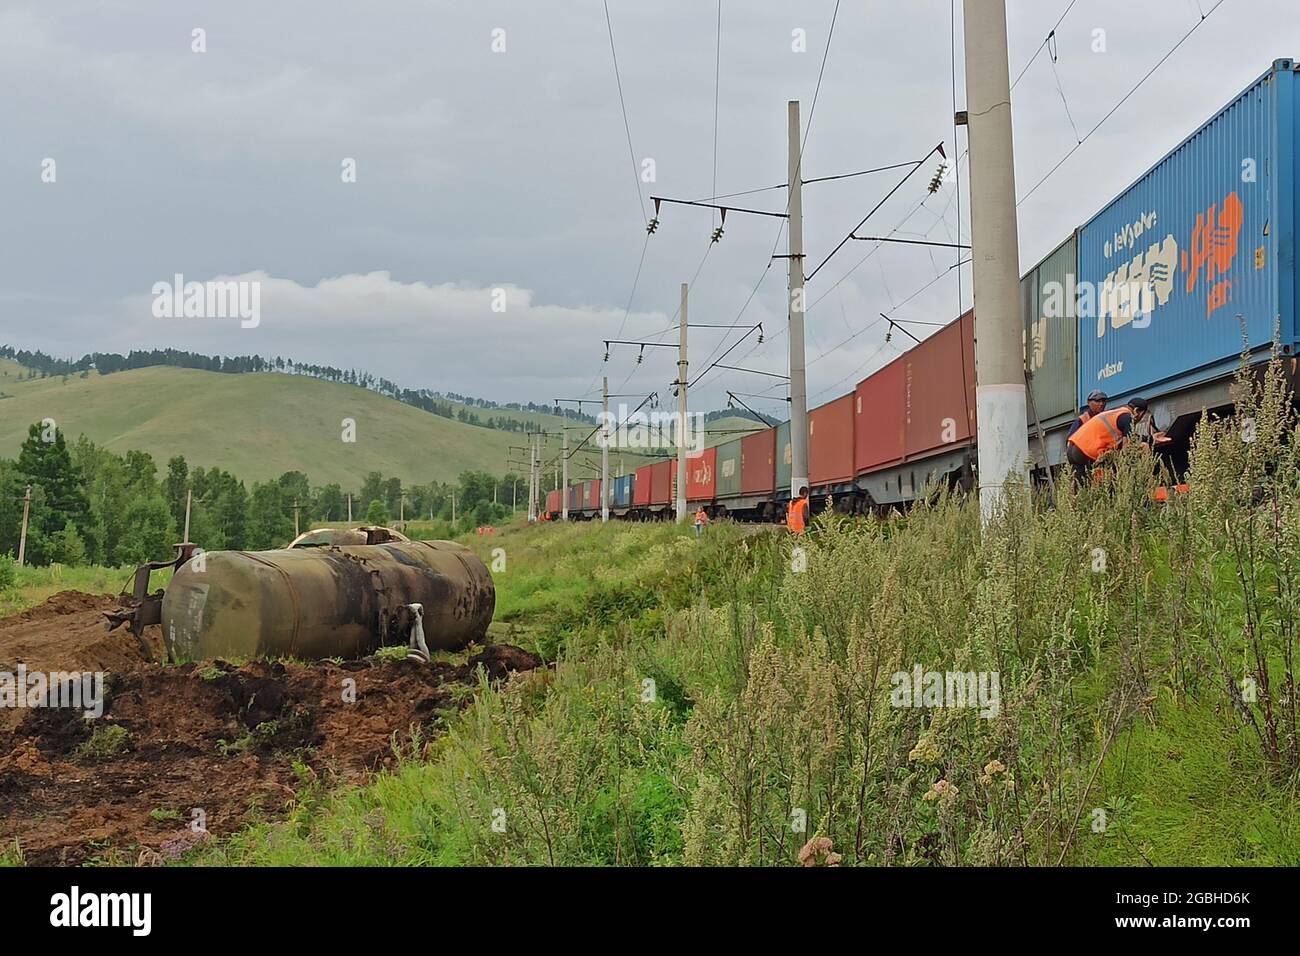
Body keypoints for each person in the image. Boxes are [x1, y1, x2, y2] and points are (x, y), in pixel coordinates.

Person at [1065, 396, 1168, 483]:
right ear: (1140, 413)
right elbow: (1128, 447)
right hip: (1086, 452)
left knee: (1082, 486)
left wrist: (1151, 438)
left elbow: (1130, 437)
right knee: (1140, 450)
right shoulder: (1128, 418)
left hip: (1072, 449)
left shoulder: (1117, 413)